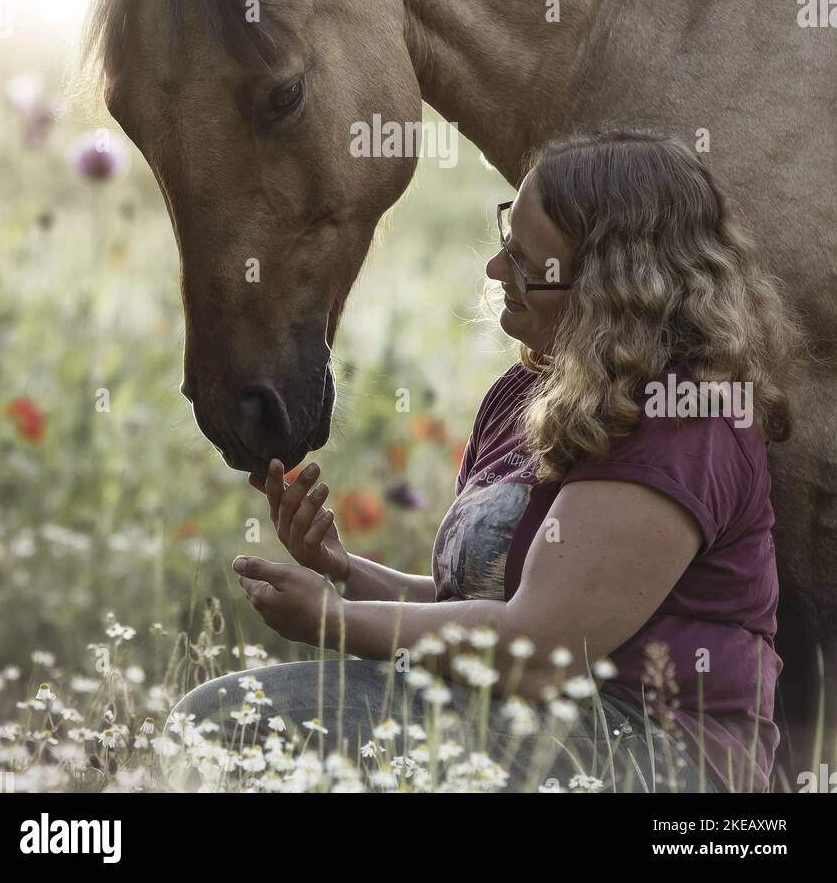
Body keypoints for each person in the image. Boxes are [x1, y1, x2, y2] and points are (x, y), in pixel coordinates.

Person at [166, 126, 800, 793]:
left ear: (614, 287)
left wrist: (335, 623)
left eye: (526, 263)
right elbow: (471, 611)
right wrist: (346, 572)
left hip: (653, 755)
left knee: (227, 722)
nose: (497, 272)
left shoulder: (682, 420)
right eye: (506, 245)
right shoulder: (527, 392)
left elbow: (535, 652)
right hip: (536, 718)